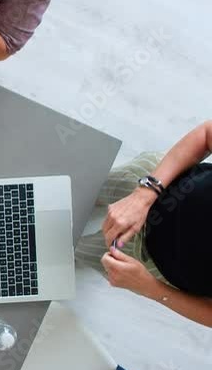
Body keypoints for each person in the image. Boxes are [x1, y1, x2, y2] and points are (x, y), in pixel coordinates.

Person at [76, 121, 212, 327]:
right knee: (87, 189)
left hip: (147, 264)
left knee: (68, 253)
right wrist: (144, 194)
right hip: (158, 179)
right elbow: (206, 135)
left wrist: (152, 289)